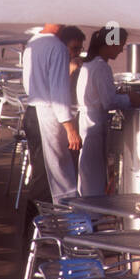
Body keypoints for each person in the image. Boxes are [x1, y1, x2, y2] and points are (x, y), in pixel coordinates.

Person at [76, 25, 140, 198]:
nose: (121, 50)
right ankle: (93, 215)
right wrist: (130, 99)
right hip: (95, 123)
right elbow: (108, 102)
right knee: (94, 176)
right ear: (111, 44)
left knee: (88, 173)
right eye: (120, 45)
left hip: (88, 121)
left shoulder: (90, 64)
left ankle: (90, 211)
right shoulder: (101, 67)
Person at [22, 24, 81, 208]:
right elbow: (59, 93)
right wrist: (70, 128)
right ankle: (49, 228)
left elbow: (27, 82)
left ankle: (32, 230)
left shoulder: (33, 42)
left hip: (32, 111)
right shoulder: (57, 47)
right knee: (54, 177)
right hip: (46, 116)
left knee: (41, 174)